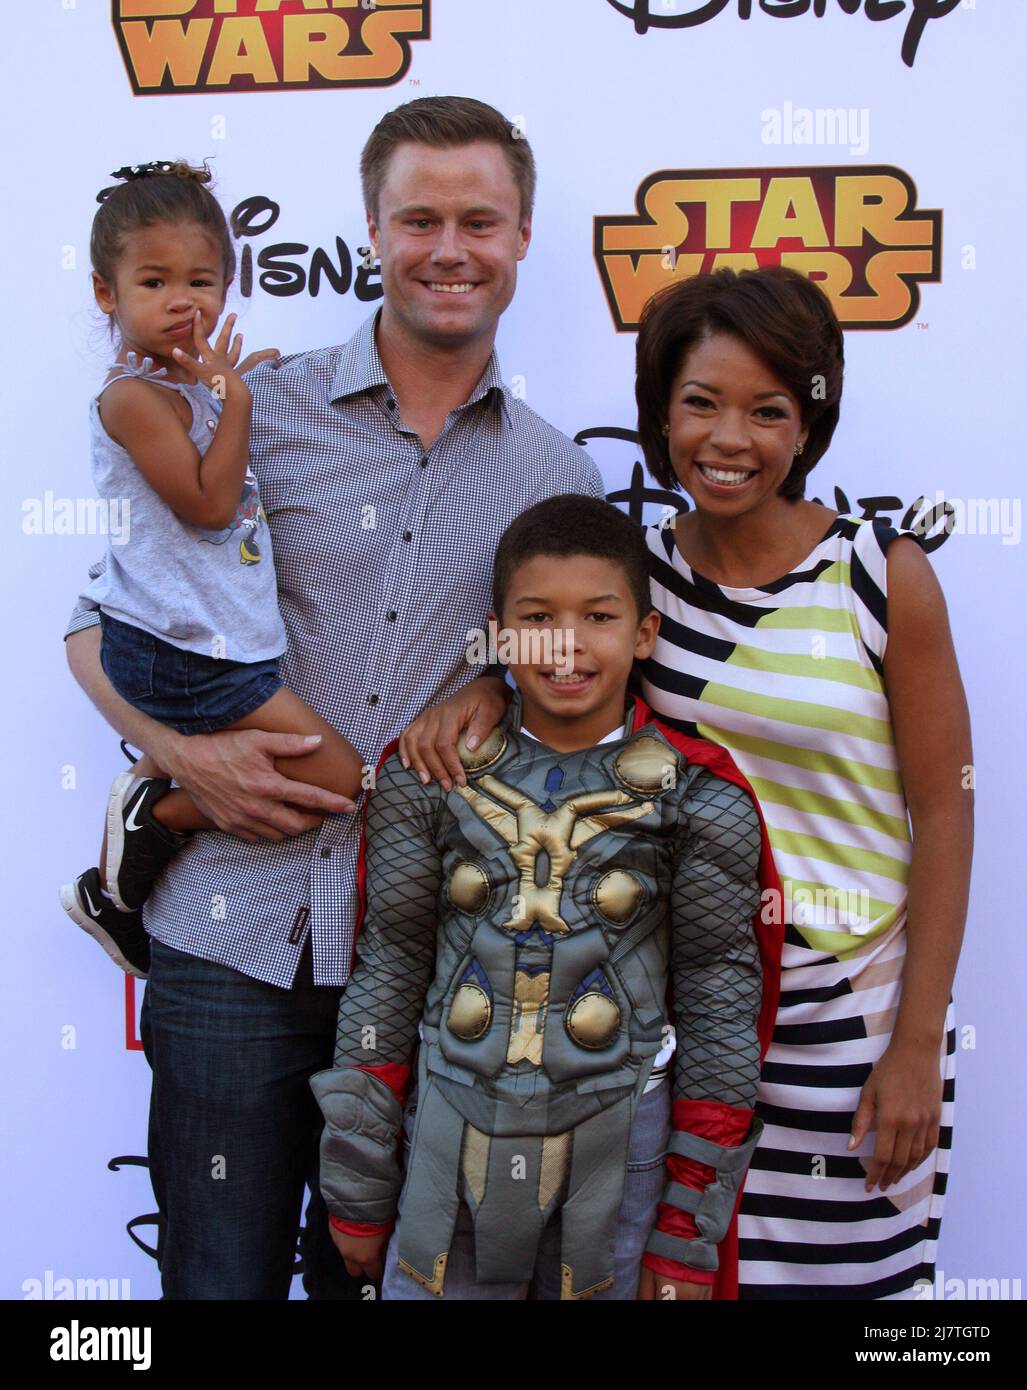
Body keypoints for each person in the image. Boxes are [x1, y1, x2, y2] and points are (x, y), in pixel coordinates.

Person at [62, 98, 603, 1300]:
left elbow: (570, 676)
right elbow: (94, 629)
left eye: (478, 219)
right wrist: (181, 761)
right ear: (371, 228)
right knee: (217, 1282)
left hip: (430, 964)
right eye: (419, 218)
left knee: (399, 1290)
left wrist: (485, 686)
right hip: (229, 939)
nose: (448, 247)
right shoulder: (249, 412)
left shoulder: (557, 474)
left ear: (522, 237)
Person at [396, 265, 973, 1300]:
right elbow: (555, 662)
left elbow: (943, 809)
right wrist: (484, 690)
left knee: (861, 1298)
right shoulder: (638, 577)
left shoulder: (878, 574)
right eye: (698, 403)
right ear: (657, 416)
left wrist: (916, 1047)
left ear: (808, 422)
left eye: (766, 409)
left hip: (847, 1016)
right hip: (676, 1033)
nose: (727, 438)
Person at [313, 495, 782, 1300]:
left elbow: (720, 1006)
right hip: (445, 1131)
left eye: (599, 616)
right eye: (538, 619)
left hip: (624, 1139)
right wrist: (356, 1178)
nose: (566, 645)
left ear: (644, 633)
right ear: (499, 637)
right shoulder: (425, 778)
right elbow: (387, 969)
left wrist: (686, 1233)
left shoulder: (703, 797)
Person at [60, 160, 363, 981]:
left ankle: (117, 885)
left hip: (214, 644)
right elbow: (209, 505)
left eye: (202, 280)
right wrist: (238, 405)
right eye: (154, 281)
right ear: (105, 293)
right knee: (339, 777)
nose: (183, 301)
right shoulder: (131, 399)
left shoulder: (187, 388)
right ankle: (155, 815)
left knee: (303, 780)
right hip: (187, 653)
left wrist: (232, 386)